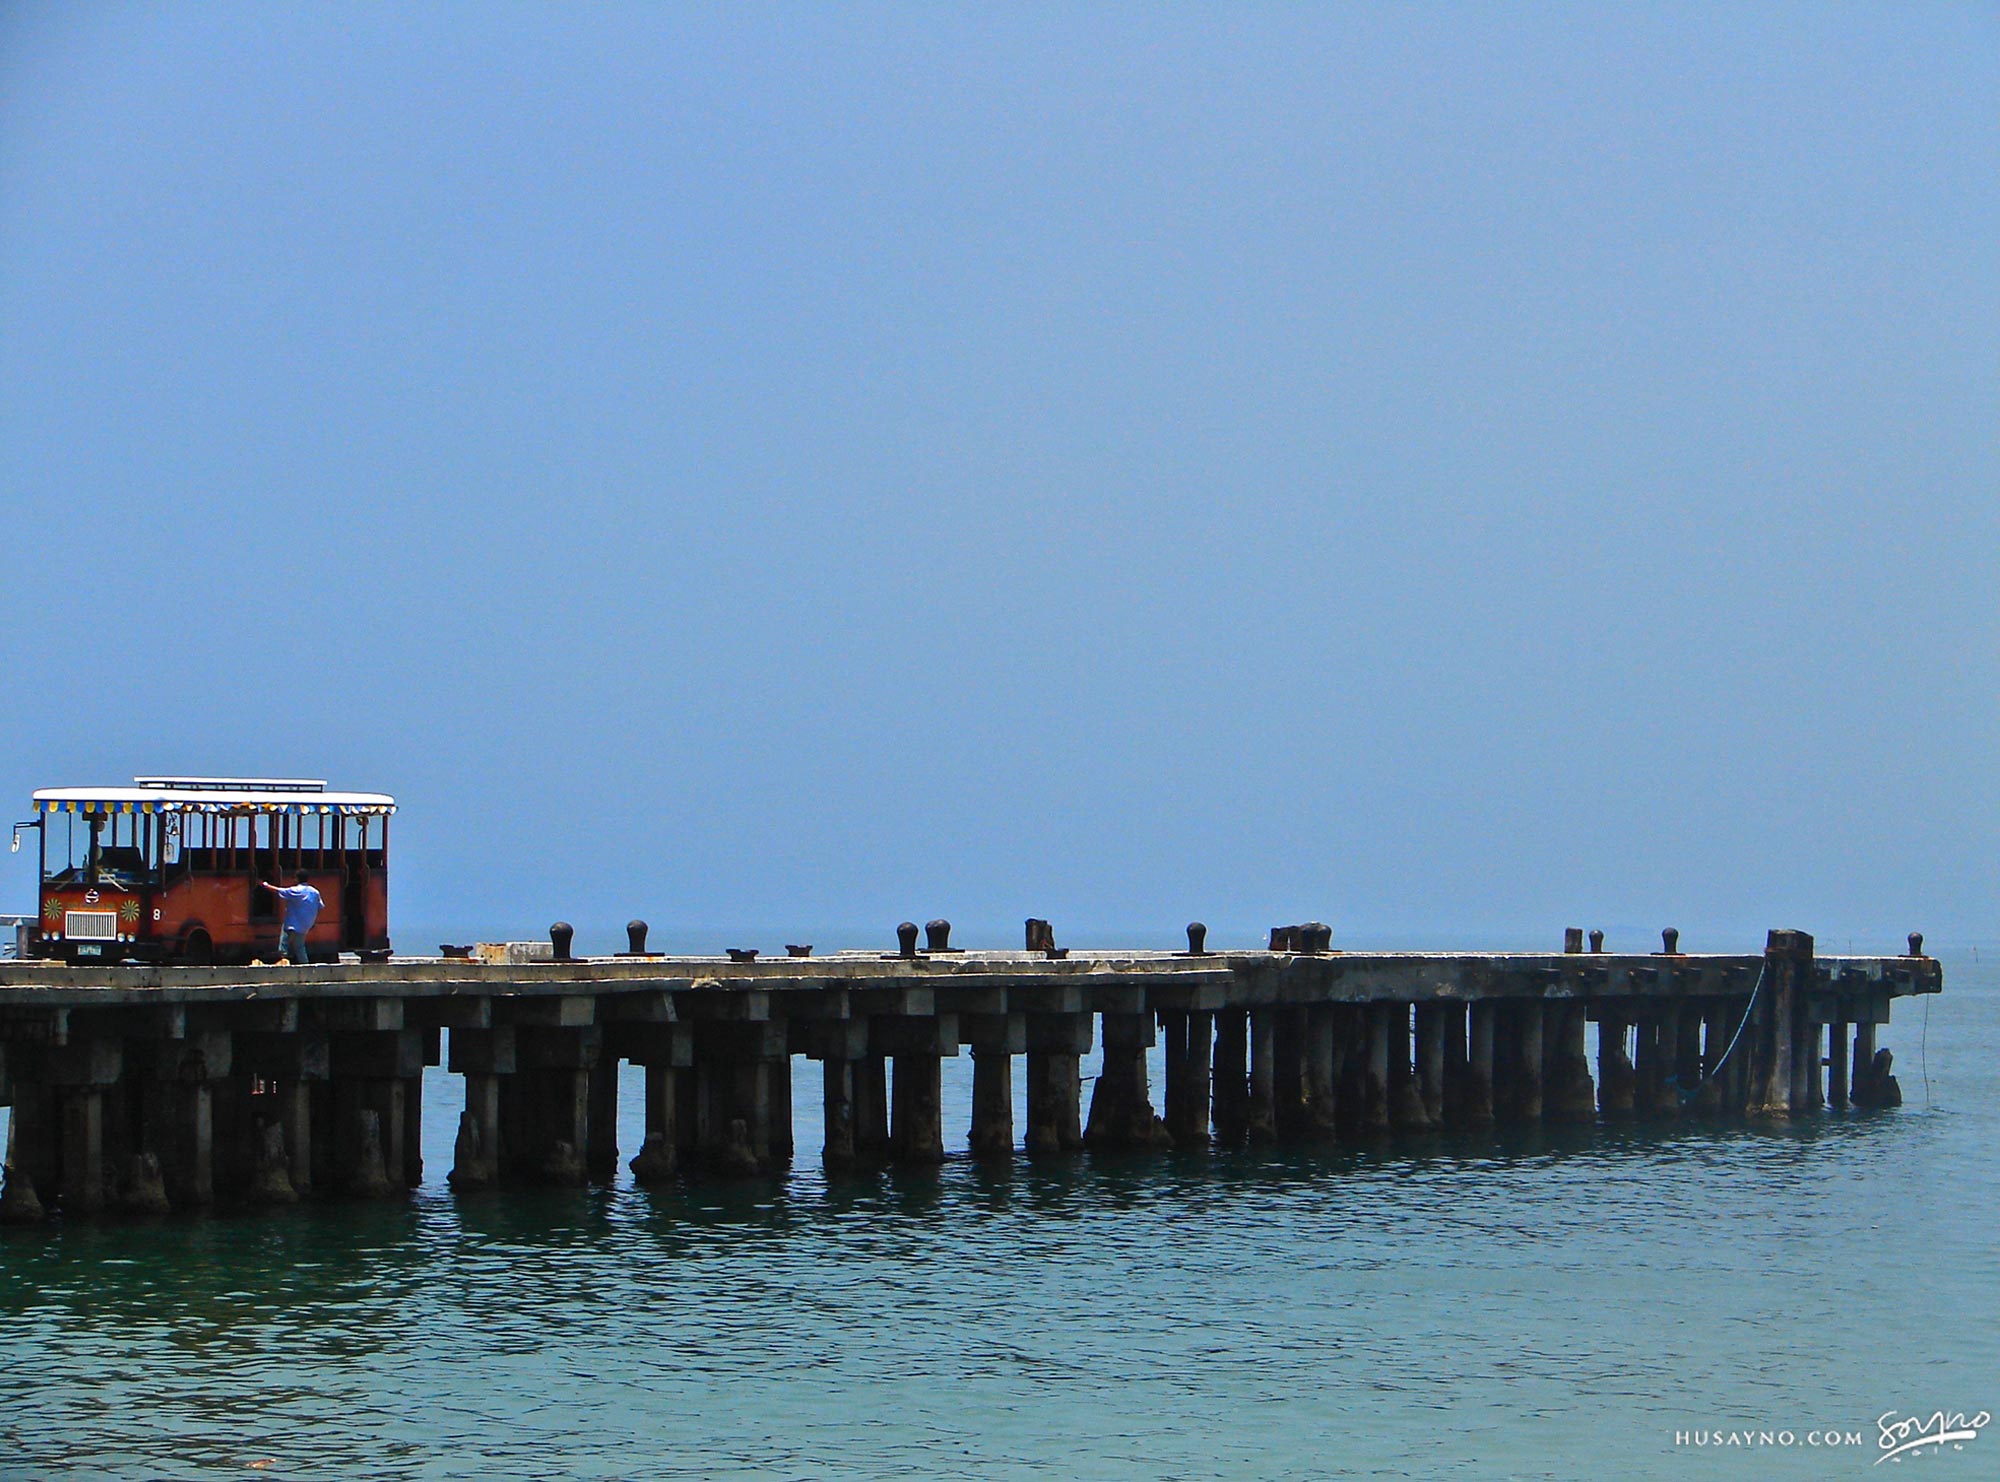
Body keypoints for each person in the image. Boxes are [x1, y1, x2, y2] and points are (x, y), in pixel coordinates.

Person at [259, 870, 323, 964]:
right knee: (299, 947)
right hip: (306, 924)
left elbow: (278, 890)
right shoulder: (315, 891)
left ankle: (283, 957)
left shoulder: (295, 890)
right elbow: (320, 906)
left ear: (297, 879)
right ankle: (305, 966)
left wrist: (265, 884)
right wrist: (313, 921)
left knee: (284, 941)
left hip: (293, 924)